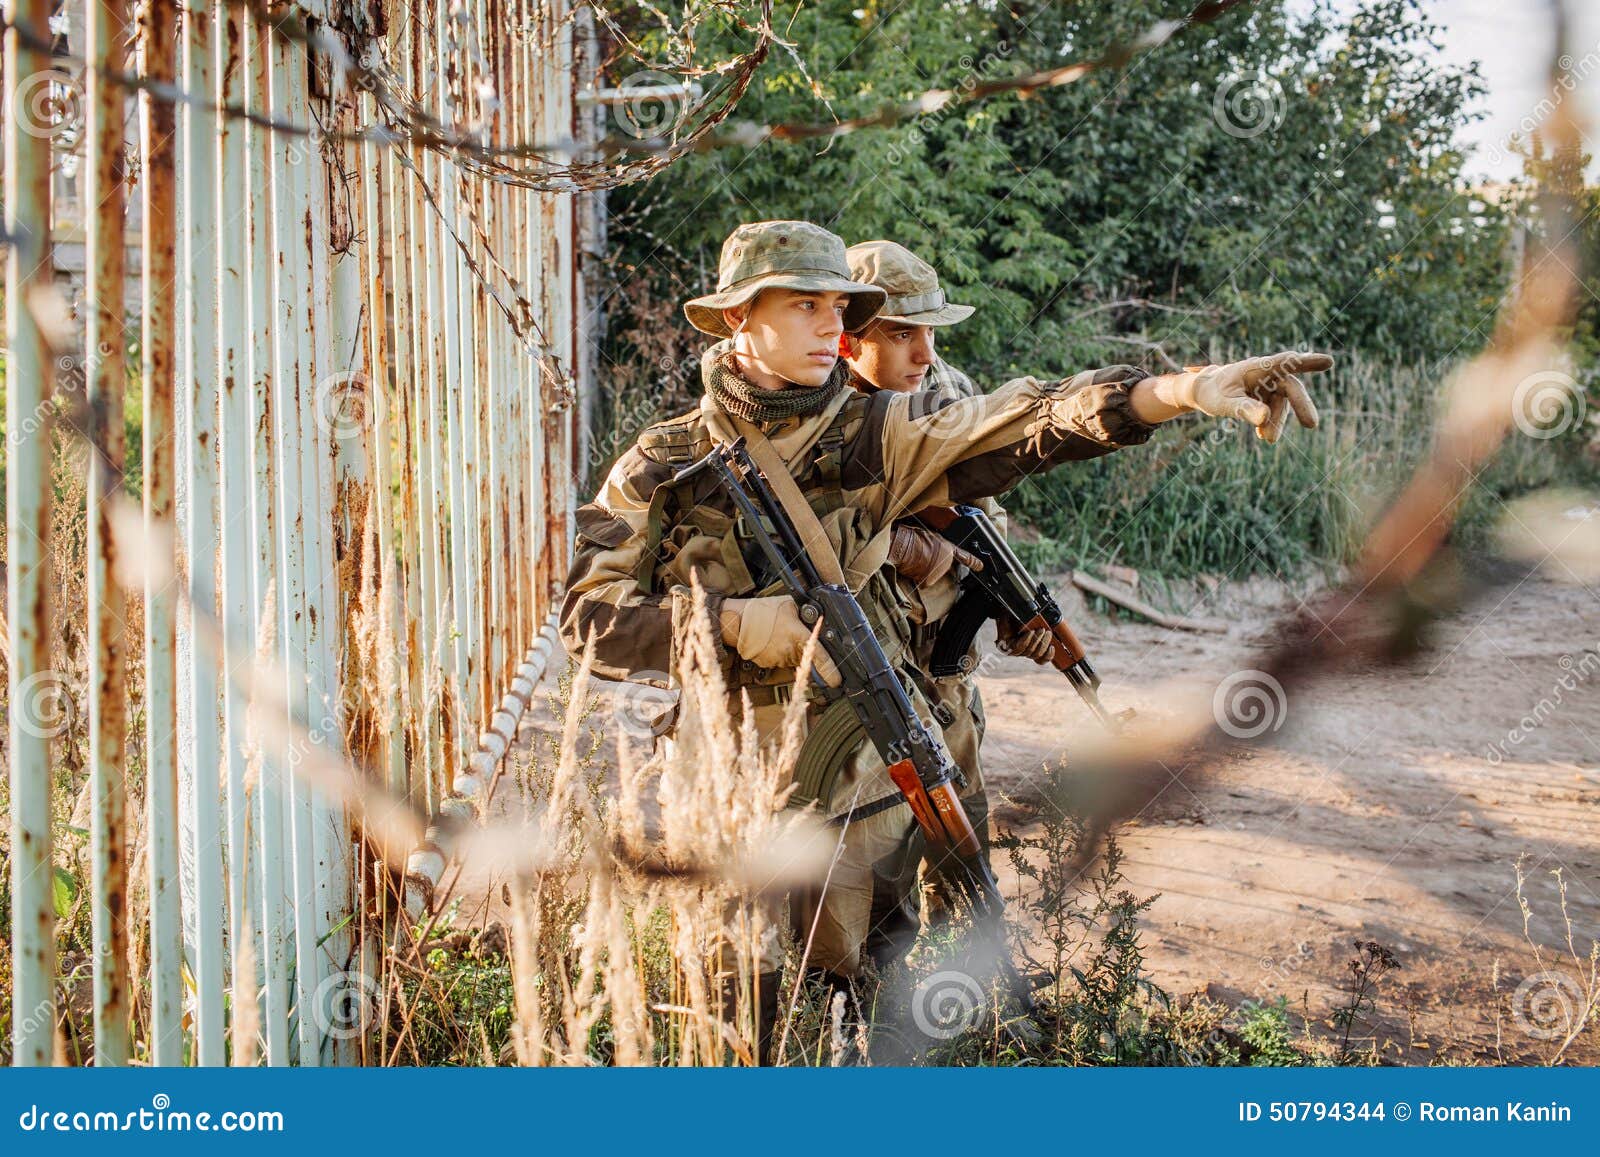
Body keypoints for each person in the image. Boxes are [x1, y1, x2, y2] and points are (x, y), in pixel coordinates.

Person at [559, 218, 1329, 1061]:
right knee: (741, 1018)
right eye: (808, 304)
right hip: (732, 792)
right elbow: (587, 619)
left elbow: (1019, 423)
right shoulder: (661, 462)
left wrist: (1185, 391)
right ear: (740, 317)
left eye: (842, 308)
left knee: (873, 994)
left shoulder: (873, 435)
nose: (834, 326)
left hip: (866, 784)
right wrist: (736, 625)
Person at [839, 240, 1055, 973]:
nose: (925, 351)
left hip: (944, 664)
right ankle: (878, 993)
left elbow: (975, 525)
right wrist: (899, 544)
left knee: (961, 828)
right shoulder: (819, 413)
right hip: (865, 673)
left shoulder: (945, 392)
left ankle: (973, 985)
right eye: (903, 332)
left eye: (932, 330)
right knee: (879, 852)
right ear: (850, 334)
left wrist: (1009, 609)